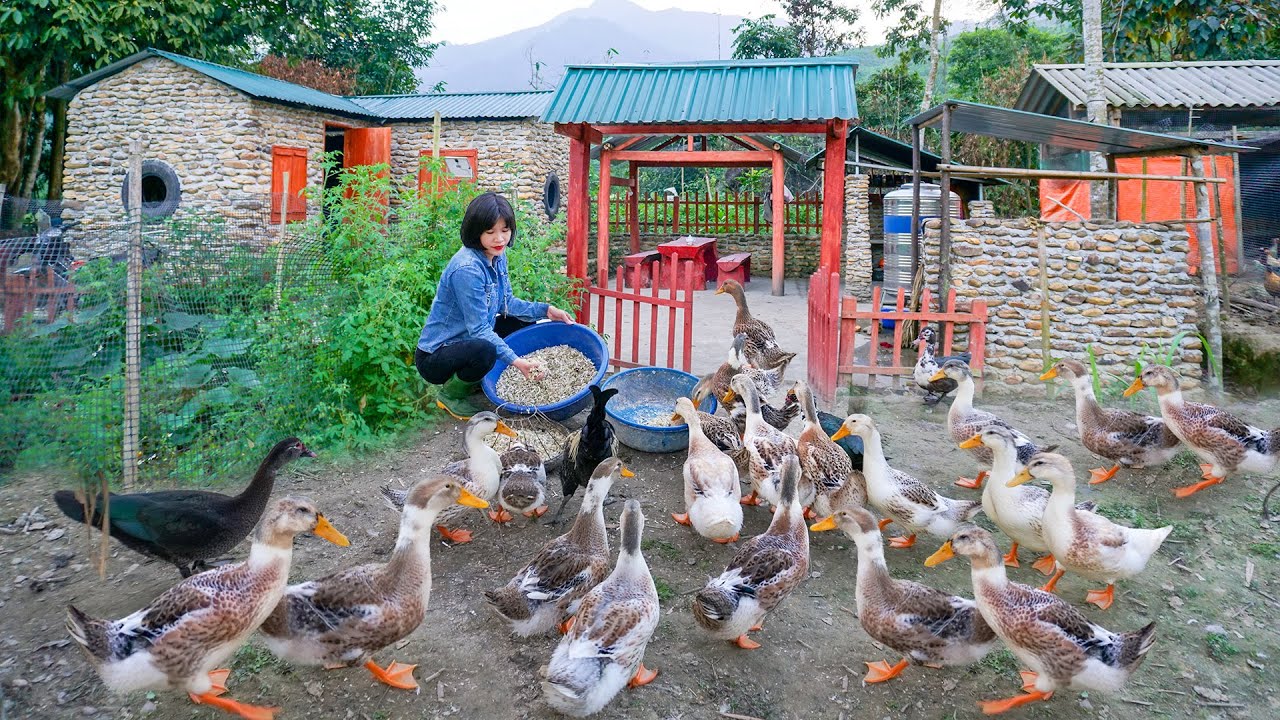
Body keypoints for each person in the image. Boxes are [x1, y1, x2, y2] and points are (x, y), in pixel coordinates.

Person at [415, 192, 574, 414]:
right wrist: (517, 362)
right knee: (485, 350)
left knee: (522, 322)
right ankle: (450, 394)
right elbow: (479, 329)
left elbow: (506, 303)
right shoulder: (467, 269)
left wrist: (546, 310)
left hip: (469, 339)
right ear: (475, 231)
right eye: (490, 232)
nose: (499, 239)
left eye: (505, 230)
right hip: (438, 355)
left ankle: (476, 378)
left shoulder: (497, 254)